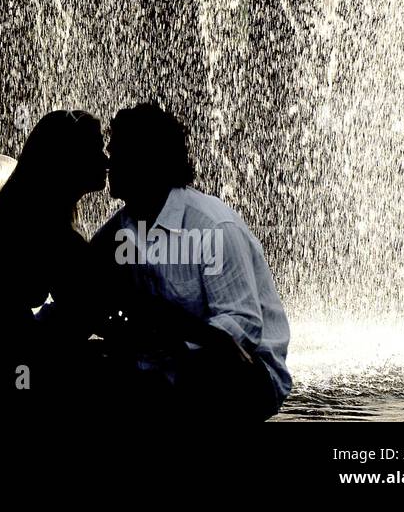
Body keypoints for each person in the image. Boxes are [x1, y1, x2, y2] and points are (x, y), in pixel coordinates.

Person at [87, 103, 292, 421]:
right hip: (167, 367)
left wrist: (170, 338)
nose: (108, 163)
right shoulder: (120, 228)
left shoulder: (211, 226)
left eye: (118, 154)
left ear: (147, 161)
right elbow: (81, 286)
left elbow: (243, 324)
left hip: (247, 375)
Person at [0, 110, 108, 421]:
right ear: (67, 160)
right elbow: (89, 310)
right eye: (96, 148)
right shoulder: (43, 230)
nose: (106, 160)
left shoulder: (21, 215)